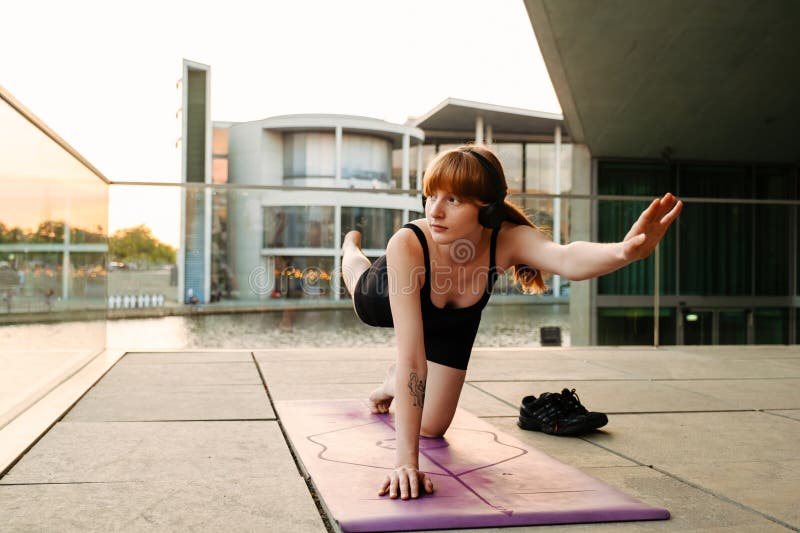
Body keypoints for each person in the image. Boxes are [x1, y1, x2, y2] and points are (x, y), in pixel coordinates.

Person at [340, 144, 682, 501]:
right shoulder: (408, 243)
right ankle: (350, 249)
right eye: (431, 196)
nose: (435, 210)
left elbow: (566, 257)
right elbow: (413, 359)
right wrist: (405, 464)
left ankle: (391, 382)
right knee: (360, 286)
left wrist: (624, 251)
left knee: (433, 427)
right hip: (385, 298)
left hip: (454, 321)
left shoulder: (506, 239)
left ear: (487, 208)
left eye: (453, 200)